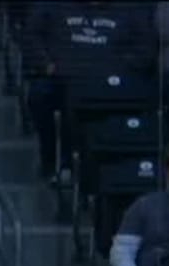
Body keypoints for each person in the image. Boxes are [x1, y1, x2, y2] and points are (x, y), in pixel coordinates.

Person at [24, 1, 155, 182]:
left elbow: (146, 47)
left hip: (111, 81)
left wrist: (121, 68)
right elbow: (31, 35)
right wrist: (45, 64)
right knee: (40, 94)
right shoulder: (52, 5)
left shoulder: (130, 8)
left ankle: (107, 169)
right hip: (63, 77)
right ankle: (54, 161)